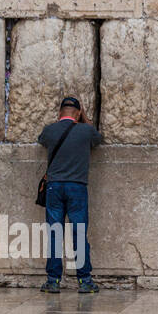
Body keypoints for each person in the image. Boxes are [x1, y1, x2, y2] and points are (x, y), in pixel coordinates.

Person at [38, 96, 102, 294]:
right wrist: (85, 119)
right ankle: (84, 280)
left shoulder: (50, 130)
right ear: (78, 113)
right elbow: (98, 139)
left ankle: (53, 280)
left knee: (55, 233)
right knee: (79, 233)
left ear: (59, 113)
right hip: (77, 188)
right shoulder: (86, 131)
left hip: (54, 187)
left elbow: (42, 141)